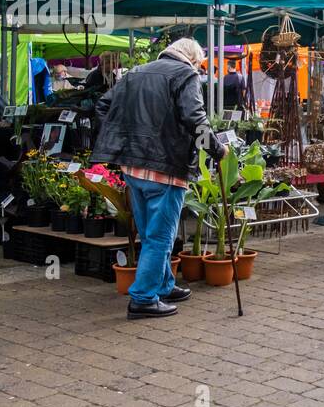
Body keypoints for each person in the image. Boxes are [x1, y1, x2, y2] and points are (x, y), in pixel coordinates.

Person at [91, 38, 224, 319]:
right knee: (160, 237)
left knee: (151, 233)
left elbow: (102, 106)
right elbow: (194, 118)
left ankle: (163, 284)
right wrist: (216, 148)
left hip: (133, 166)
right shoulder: (185, 74)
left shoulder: (136, 72)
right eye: (199, 64)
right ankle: (143, 298)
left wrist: (121, 140)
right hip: (165, 168)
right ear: (191, 58)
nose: (199, 69)